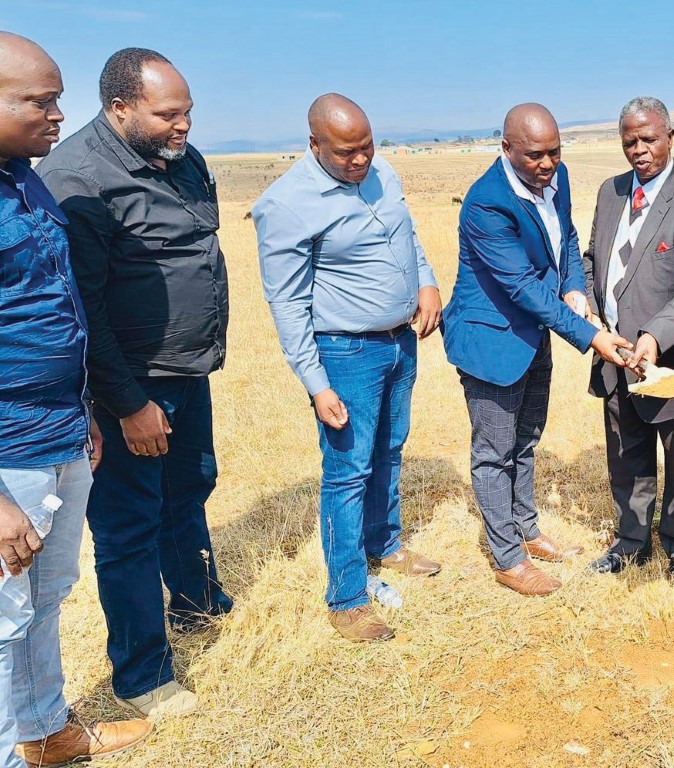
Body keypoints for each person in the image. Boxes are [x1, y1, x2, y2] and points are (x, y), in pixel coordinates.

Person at [38, 48, 232, 716]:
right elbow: (82, 308)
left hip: (187, 371)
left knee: (190, 489)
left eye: (187, 111)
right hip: (131, 386)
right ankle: (143, 676)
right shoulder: (78, 178)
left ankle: (197, 602)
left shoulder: (182, 158)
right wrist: (126, 403)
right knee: (128, 528)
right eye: (168, 113)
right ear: (120, 108)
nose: (184, 125)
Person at [0, 32, 151, 767]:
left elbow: (55, 308)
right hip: (8, 454)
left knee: (45, 595)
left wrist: (83, 408)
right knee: (2, 618)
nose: (59, 114)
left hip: (58, 429)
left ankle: (45, 730)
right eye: (40, 101)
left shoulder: (25, 179)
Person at [253, 94, 442, 643]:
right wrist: (317, 385)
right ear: (314, 144)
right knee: (348, 471)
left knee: (390, 448)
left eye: (367, 146)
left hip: (400, 342)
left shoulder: (382, 172)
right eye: (344, 153)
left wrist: (426, 281)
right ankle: (348, 597)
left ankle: (385, 542)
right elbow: (288, 304)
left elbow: (406, 235)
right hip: (345, 354)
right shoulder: (285, 204)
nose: (360, 160)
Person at [442, 103, 632, 596]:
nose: (547, 164)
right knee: (494, 453)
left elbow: (565, 236)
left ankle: (526, 529)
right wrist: (590, 335)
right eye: (534, 156)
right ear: (506, 148)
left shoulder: (556, 177)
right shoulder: (486, 203)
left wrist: (574, 286)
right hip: (492, 342)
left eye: (554, 152)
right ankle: (508, 559)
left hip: (533, 334)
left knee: (526, 440)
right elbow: (521, 286)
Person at [582, 97, 674, 585]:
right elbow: (593, 259)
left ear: (670, 137)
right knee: (626, 455)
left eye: (648, 139)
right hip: (613, 353)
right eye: (630, 142)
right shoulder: (610, 192)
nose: (639, 150)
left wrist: (654, 336)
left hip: (671, 363)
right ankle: (631, 540)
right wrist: (588, 309)